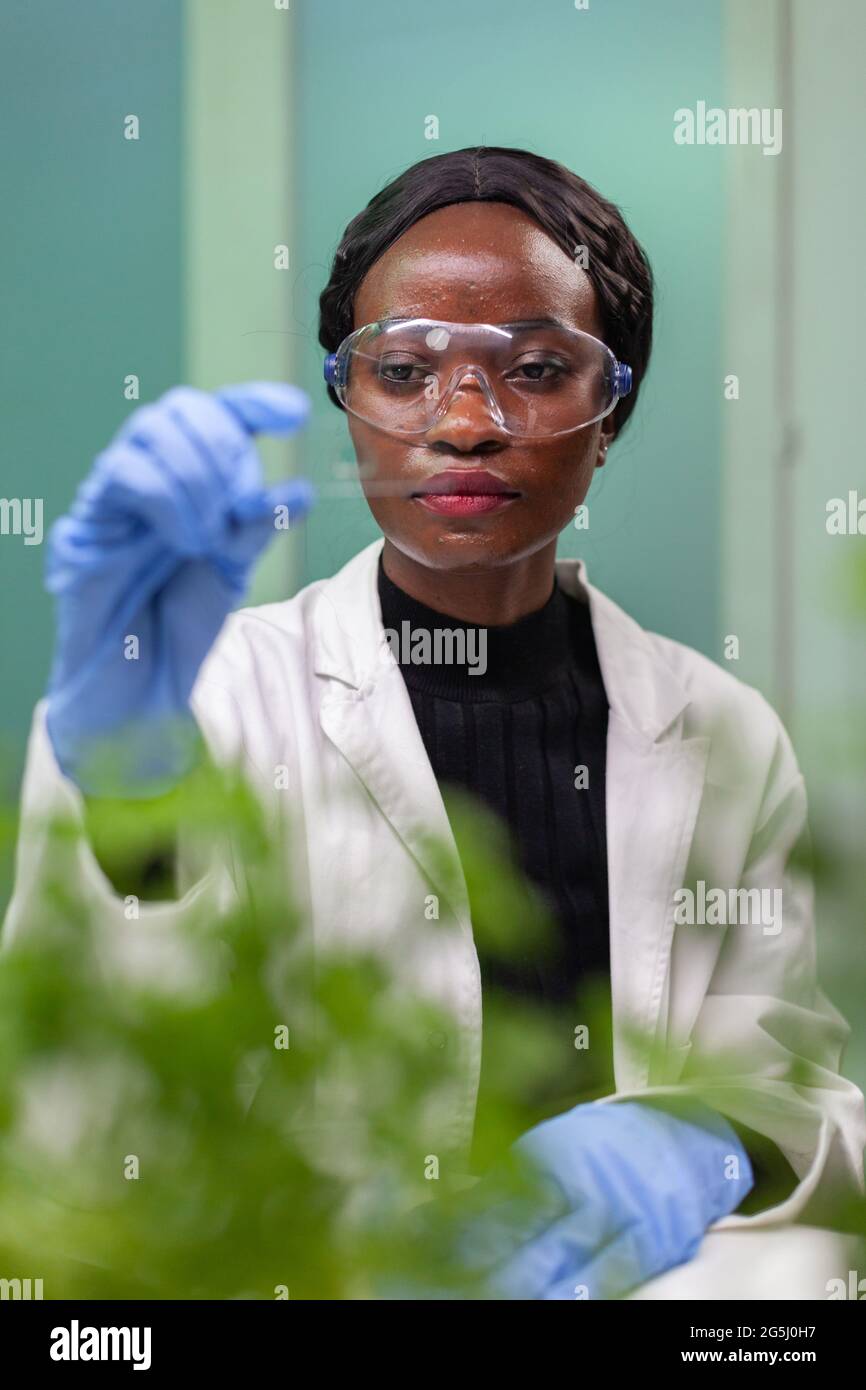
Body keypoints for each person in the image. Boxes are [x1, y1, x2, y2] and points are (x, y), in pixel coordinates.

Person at [4, 146, 865, 1299]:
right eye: (405, 369)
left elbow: (792, 1087)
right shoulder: (206, 695)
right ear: (347, 403)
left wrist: (698, 1142)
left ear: (608, 414)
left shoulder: (721, 732)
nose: (463, 422)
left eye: (536, 368)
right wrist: (128, 798)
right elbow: (88, 1121)